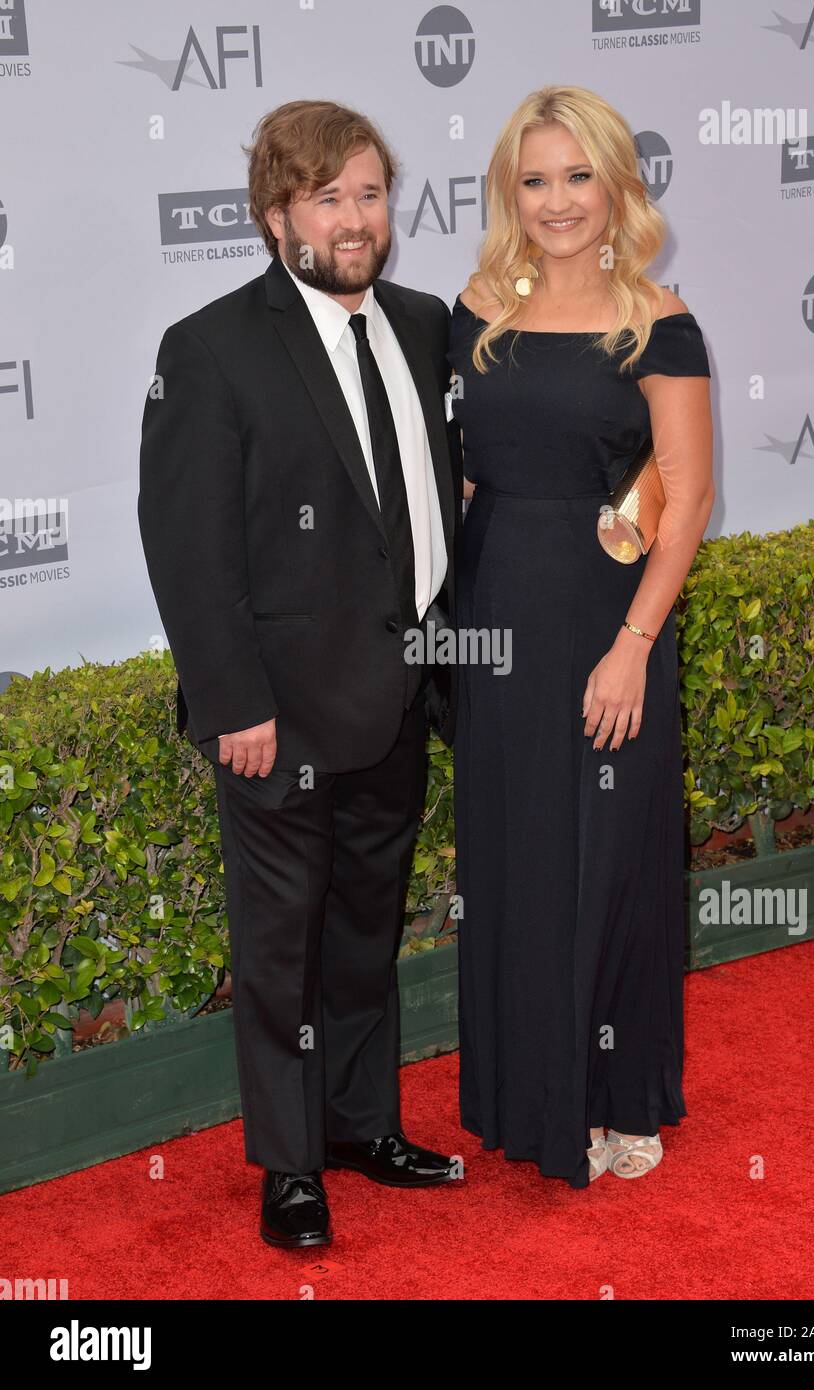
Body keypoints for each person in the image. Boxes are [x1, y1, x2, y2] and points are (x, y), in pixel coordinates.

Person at [138, 100, 464, 1247]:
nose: (355, 218)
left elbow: (430, 506)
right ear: (278, 215)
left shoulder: (423, 325)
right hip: (279, 718)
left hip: (398, 699)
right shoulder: (211, 348)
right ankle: (290, 1169)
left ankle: (360, 1125)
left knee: (368, 929)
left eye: (369, 193)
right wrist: (234, 703)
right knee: (281, 945)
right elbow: (187, 545)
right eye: (328, 198)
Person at [447, 85, 714, 1189]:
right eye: (534, 178)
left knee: (608, 863)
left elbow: (688, 499)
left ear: (616, 185)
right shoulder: (476, 313)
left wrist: (634, 645)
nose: (557, 201)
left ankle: (614, 1093)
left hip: (606, 623)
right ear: (511, 190)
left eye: (577, 176)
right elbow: (461, 480)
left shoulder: (660, 321)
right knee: (514, 856)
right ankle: (527, 1097)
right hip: (492, 614)